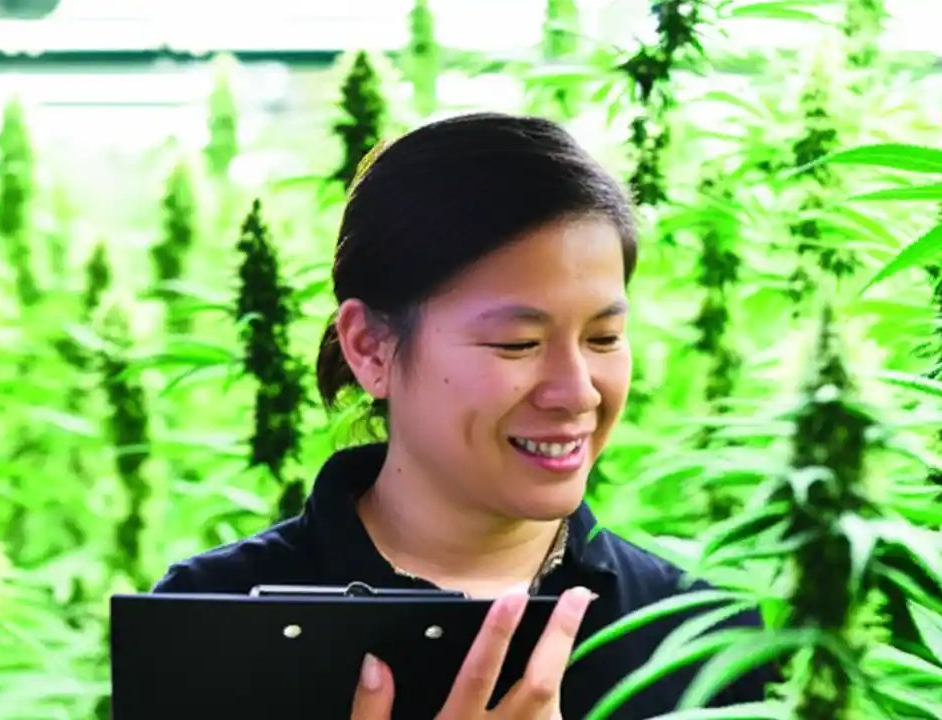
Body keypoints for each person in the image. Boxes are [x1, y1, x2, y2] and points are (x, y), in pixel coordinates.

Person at [151, 112, 777, 718]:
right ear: (370, 346)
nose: (577, 391)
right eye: (517, 343)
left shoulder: (702, 639)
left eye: (604, 338)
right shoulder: (209, 621)